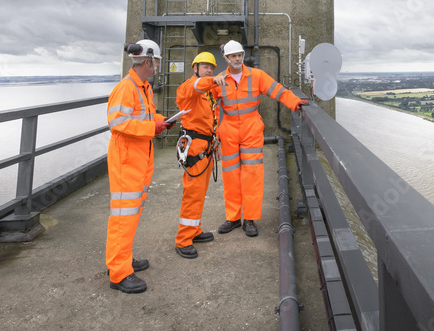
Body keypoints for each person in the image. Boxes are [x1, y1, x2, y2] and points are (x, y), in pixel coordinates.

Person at [215, 40, 307, 237]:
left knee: (252, 175)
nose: (238, 58)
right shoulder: (219, 80)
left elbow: (278, 90)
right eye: (233, 56)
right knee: (230, 176)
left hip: (251, 129)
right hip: (229, 131)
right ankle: (232, 218)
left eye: (239, 55)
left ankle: (249, 219)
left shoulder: (256, 76)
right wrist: (214, 136)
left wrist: (296, 103)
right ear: (226, 59)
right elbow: (211, 109)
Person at [105, 39, 175, 294]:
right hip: (127, 161)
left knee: (130, 215)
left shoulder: (142, 87)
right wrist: (151, 127)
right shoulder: (126, 88)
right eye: (156, 61)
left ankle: (121, 260)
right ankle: (119, 273)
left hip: (137, 158)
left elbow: (142, 117)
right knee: (123, 217)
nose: (158, 65)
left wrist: (161, 120)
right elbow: (117, 123)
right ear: (147, 61)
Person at [173, 52, 223, 258]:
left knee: (200, 192)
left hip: (207, 145)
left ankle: (194, 229)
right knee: (192, 193)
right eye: (204, 67)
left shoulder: (209, 93)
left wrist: (217, 145)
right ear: (195, 68)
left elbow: (214, 118)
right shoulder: (189, 87)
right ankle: (183, 239)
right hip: (195, 147)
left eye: (211, 67)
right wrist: (212, 80)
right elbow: (196, 87)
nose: (209, 70)